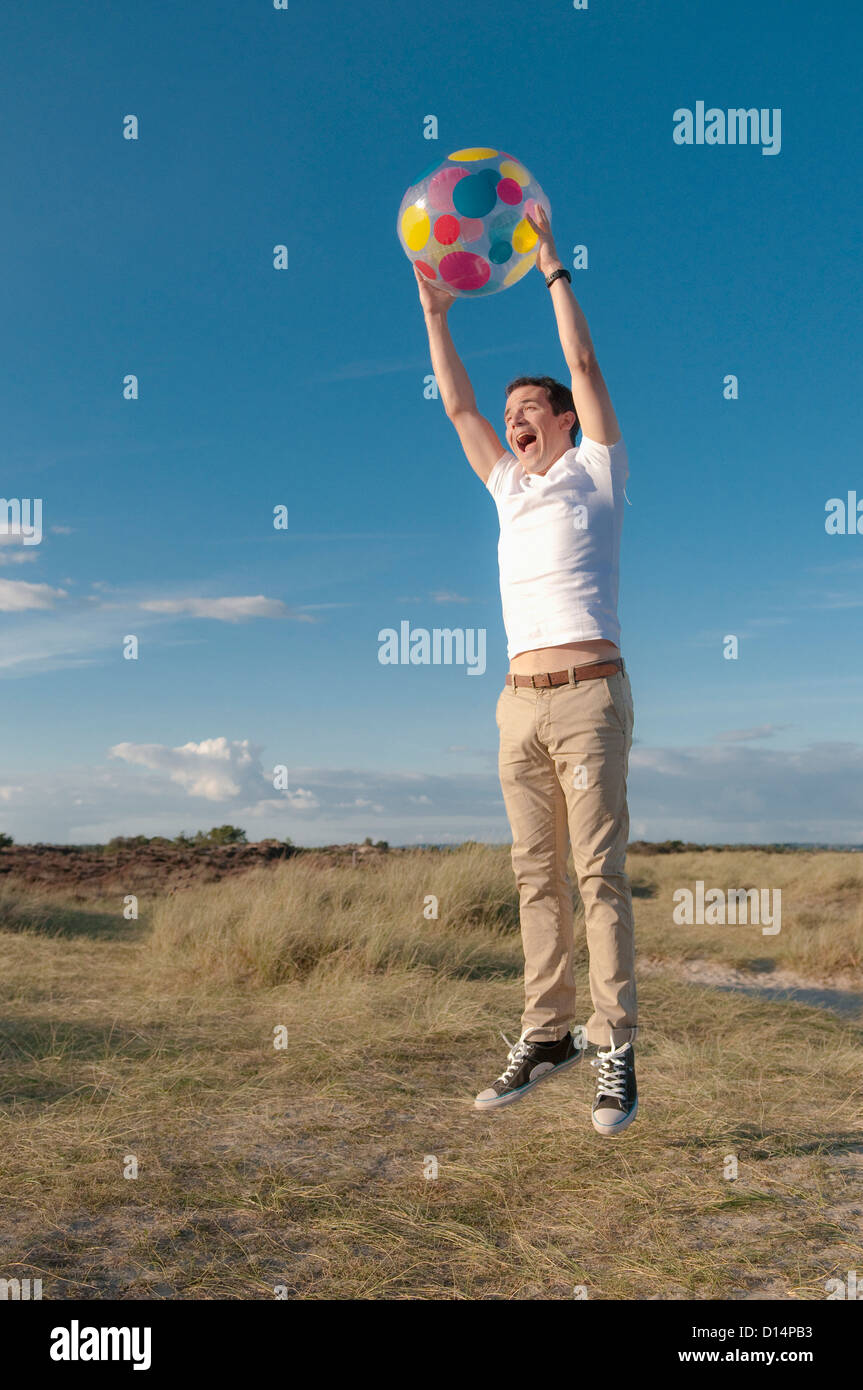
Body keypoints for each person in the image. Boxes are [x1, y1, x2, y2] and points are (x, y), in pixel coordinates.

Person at [415, 206, 637, 1135]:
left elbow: (583, 368)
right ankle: (544, 1035)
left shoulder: (596, 470)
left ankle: (615, 1049)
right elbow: (459, 405)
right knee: (533, 877)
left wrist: (552, 270)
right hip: (517, 703)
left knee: (596, 876)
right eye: (510, 418)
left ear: (559, 422)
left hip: (588, 693)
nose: (512, 424)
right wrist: (436, 313)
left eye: (527, 412)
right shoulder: (506, 486)